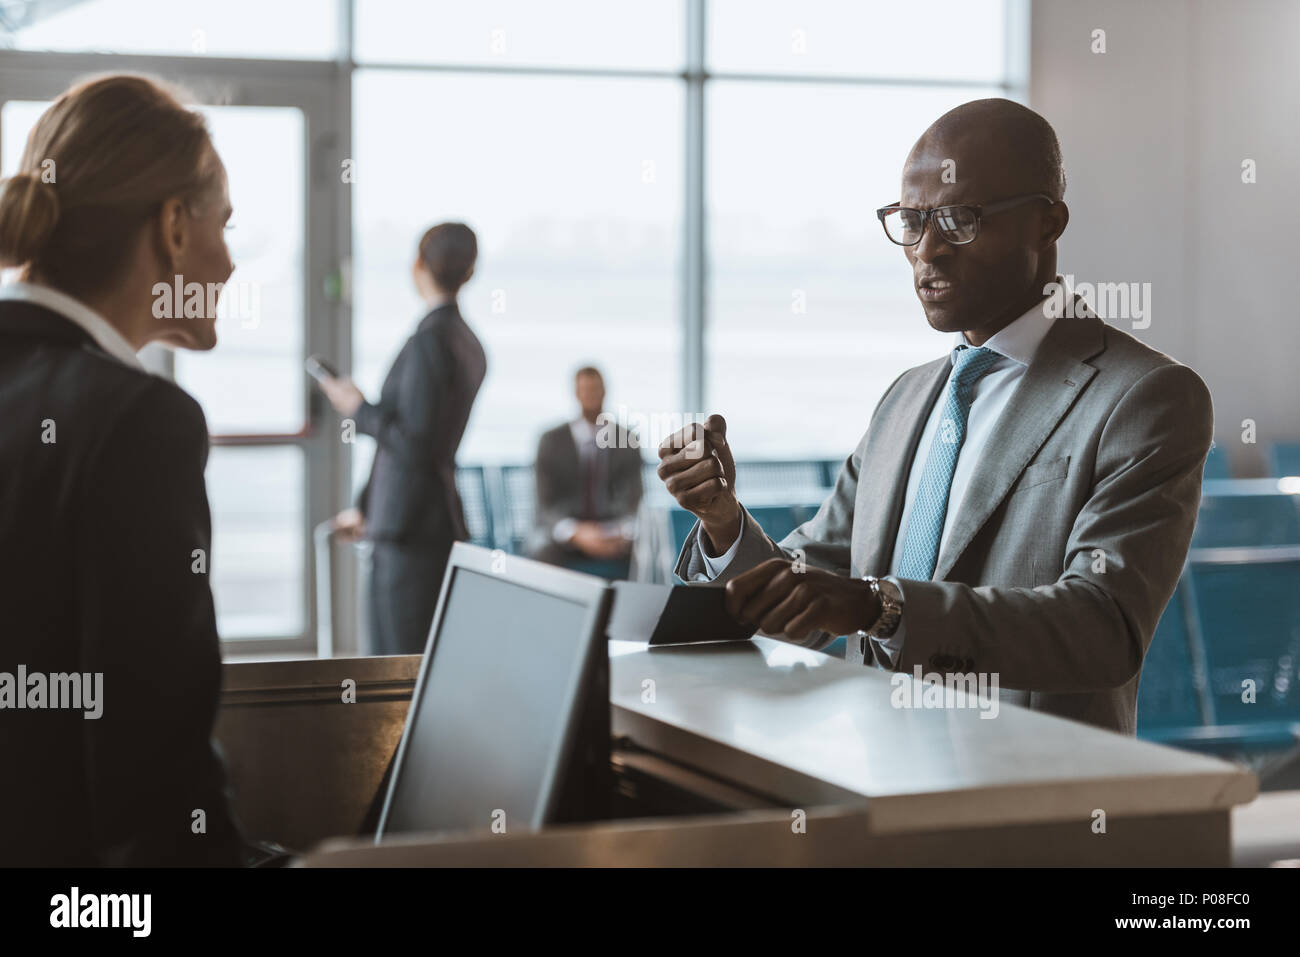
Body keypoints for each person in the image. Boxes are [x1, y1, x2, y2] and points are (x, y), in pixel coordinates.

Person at [656, 98, 1212, 735]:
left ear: (1046, 223)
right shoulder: (906, 399)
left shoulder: (1144, 397)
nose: (928, 250)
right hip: (869, 781)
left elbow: (1100, 628)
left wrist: (882, 607)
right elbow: (812, 599)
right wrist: (723, 521)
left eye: (959, 219)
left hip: (1015, 801)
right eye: (912, 221)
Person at [0, 74, 243, 865]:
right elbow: (153, 790)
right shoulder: (139, 423)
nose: (232, 264)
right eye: (225, 225)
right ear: (173, 226)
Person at [317, 223, 486, 656]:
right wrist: (366, 506)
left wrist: (357, 407)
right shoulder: (467, 342)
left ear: (418, 265)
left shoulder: (431, 340)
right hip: (422, 519)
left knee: (396, 664)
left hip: (409, 528)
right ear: (469, 272)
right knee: (414, 658)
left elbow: (412, 443)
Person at [530, 366, 642, 576]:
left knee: (647, 552)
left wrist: (621, 531)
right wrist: (576, 533)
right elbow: (544, 506)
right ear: (576, 393)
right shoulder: (551, 440)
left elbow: (634, 500)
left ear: (605, 391)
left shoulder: (627, 439)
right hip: (567, 534)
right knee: (541, 550)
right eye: (585, 389)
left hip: (613, 532)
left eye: (595, 389)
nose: (590, 395)